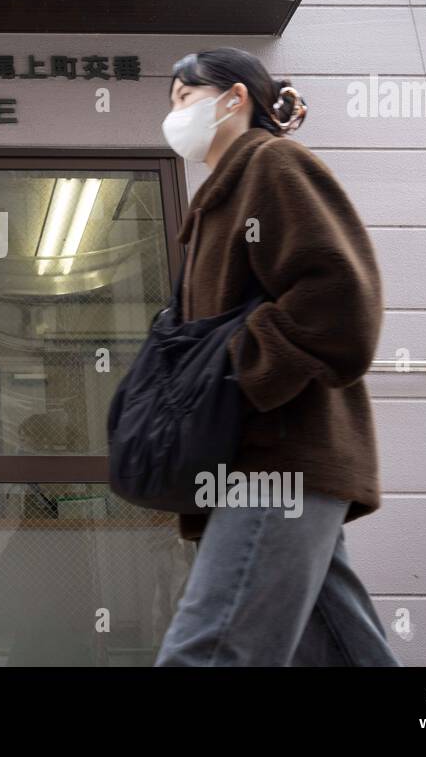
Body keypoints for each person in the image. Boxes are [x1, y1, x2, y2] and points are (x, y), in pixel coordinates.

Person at [154, 47, 401, 667]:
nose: (174, 114)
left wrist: (240, 372)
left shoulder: (273, 164)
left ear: (234, 99)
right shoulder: (219, 200)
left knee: (206, 652)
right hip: (265, 457)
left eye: (184, 98)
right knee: (344, 654)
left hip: (274, 460)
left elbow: (342, 299)